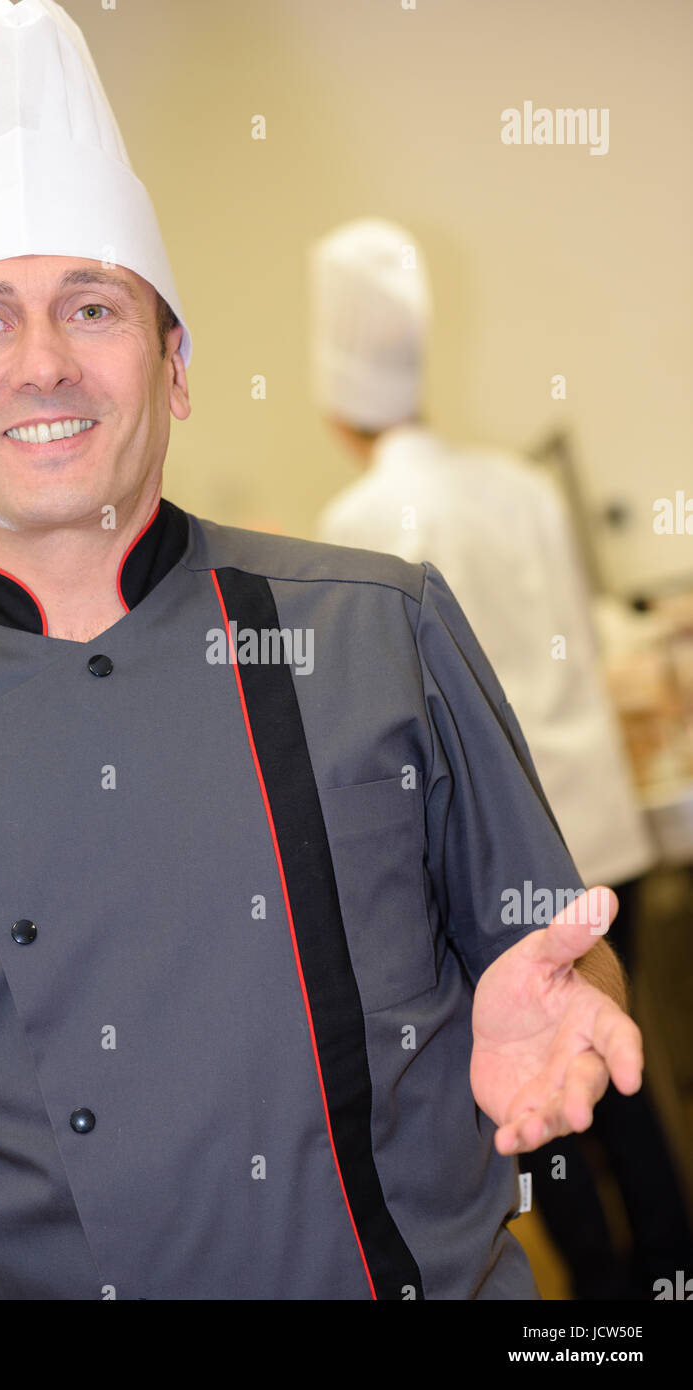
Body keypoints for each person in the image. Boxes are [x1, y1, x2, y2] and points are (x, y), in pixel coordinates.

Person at [0, 0, 640, 1302]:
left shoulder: (381, 622)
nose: (41, 362)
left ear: (175, 363)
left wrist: (563, 992)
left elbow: (545, 940)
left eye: (91, 307)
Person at [309, 216, 693, 1299]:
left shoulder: (354, 523)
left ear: (337, 404)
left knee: (542, 1122)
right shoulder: (520, 488)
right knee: (626, 1080)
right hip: (598, 843)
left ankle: (606, 1314)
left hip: (491, 866)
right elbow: (585, 650)